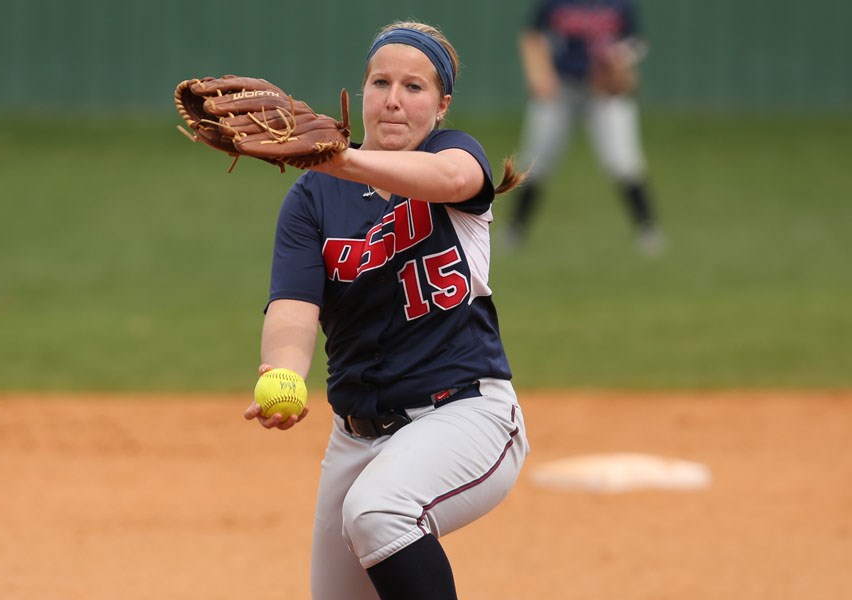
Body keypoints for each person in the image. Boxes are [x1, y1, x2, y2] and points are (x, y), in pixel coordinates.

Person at [242, 20, 530, 600]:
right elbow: (294, 308)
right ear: (362, 92)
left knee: (380, 512)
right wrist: (282, 371)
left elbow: (450, 179)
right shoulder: (311, 197)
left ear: (441, 104)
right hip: (356, 435)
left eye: (414, 87)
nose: (394, 100)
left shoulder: (454, 155)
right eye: (380, 82)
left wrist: (339, 158)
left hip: (463, 414)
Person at [508, 0, 664, 255]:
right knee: (536, 159)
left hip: (603, 92)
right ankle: (515, 231)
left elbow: (636, 40)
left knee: (624, 160)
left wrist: (618, 59)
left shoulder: (619, 3)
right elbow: (532, 35)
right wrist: (539, 73)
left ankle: (648, 230)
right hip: (561, 87)